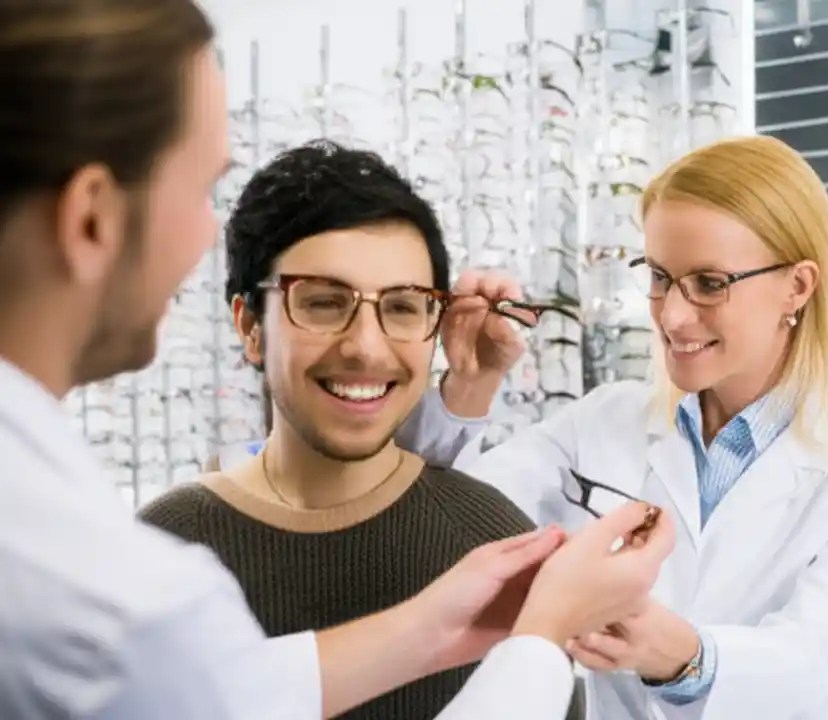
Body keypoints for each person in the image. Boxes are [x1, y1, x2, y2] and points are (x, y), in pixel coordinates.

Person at [0, 2, 673, 719]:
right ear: (92, 216)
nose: (365, 345)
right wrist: (541, 636)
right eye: (200, 190)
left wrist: (434, 627)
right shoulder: (122, 588)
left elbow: (237, 693)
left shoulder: (62, 545)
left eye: (403, 306)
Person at [395, 135, 828, 719]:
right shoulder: (605, 419)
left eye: (710, 283)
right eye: (659, 276)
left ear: (797, 287)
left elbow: (807, 662)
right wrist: (470, 384)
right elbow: (434, 532)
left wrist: (678, 654)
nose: (672, 316)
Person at [138, 140, 582, 719]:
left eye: (402, 307)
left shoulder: (493, 545)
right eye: (323, 303)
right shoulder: (161, 551)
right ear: (250, 327)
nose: (366, 348)